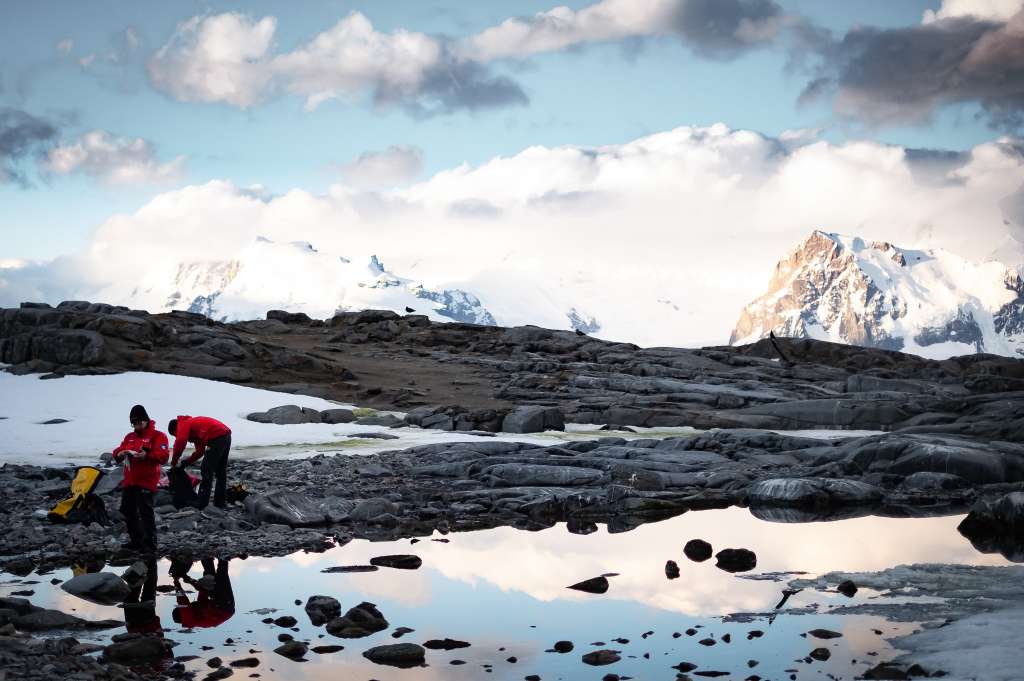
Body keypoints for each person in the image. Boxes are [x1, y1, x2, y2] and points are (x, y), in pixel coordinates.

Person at [111, 405, 169, 553]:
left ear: (146, 420)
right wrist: (119, 453)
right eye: (133, 423)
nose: (136, 426)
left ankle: (150, 543)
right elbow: (118, 450)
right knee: (127, 510)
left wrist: (147, 455)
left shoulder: (158, 436)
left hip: (147, 480)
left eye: (138, 422)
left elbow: (163, 457)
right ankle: (136, 540)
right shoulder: (130, 437)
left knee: (145, 511)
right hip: (130, 479)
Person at [168, 415, 232, 509]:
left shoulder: (183, 424)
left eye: (175, 435)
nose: (177, 437)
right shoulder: (196, 431)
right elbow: (199, 452)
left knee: (206, 469)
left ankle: (202, 503)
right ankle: (220, 502)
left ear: (175, 430)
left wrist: (174, 462)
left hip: (216, 436)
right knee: (220, 471)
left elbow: (180, 441)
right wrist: (185, 462)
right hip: (225, 435)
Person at [170, 558, 235, 629]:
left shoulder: (198, 616)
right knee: (219, 576)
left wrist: (190, 580)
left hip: (225, 607)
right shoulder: (187, 619)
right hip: (223, 607)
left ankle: (209, 557)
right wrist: (176, 582)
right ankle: (216, 557)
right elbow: (182, 600)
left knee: (213, 577)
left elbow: (203, 591)